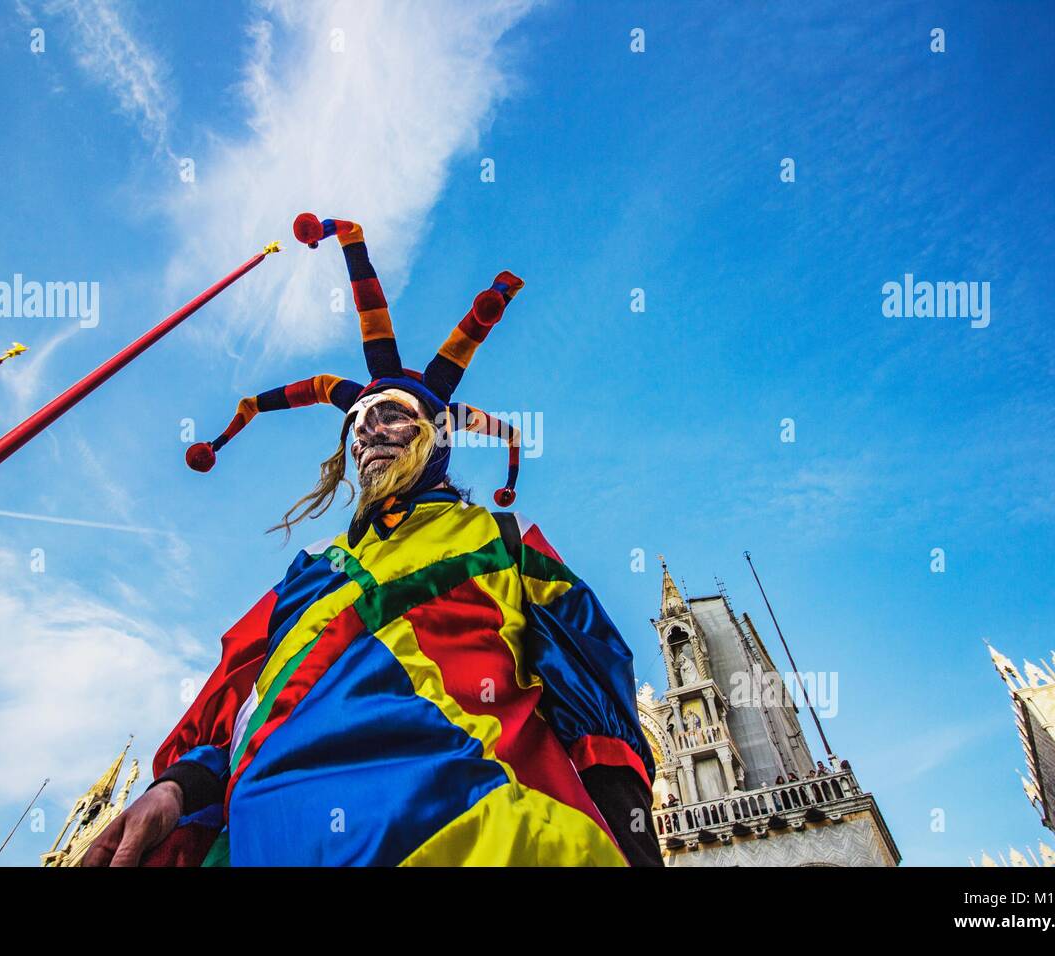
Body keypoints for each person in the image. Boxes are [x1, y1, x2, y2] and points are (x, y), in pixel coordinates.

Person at [84, 213, 660, 868]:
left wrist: (634, 847)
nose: (369, 432)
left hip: (485, 842)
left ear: (436, 439)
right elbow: (245, 710)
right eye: (358, 420)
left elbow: (596, 717)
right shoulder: (309, 577)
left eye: (393, 416)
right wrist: (175, 788)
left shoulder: (503, 543)